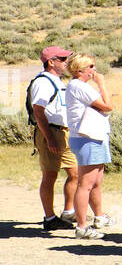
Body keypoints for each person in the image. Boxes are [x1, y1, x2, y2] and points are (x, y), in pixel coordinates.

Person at [63, 54, 114, 240]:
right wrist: (102, 84)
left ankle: (98, 218)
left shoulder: (78, 87)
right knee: (85, 184)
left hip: (92, 137)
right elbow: (108, 106)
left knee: (96, 182)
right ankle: (82, 227)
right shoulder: (79, 86)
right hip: (88, 138)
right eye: (90, 66)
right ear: (80, 70)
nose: (94, 70)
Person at [28, 46, 78, 232]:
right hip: (51, 132)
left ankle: (68, 211)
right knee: (50, 176)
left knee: (75, 174)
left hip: (64, 132)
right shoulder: (43, 83)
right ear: (51, 62)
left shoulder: (56, 81)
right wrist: (49, 138)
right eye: (63, 58)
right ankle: (49, 218)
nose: (66, 61)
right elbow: (38, 111)